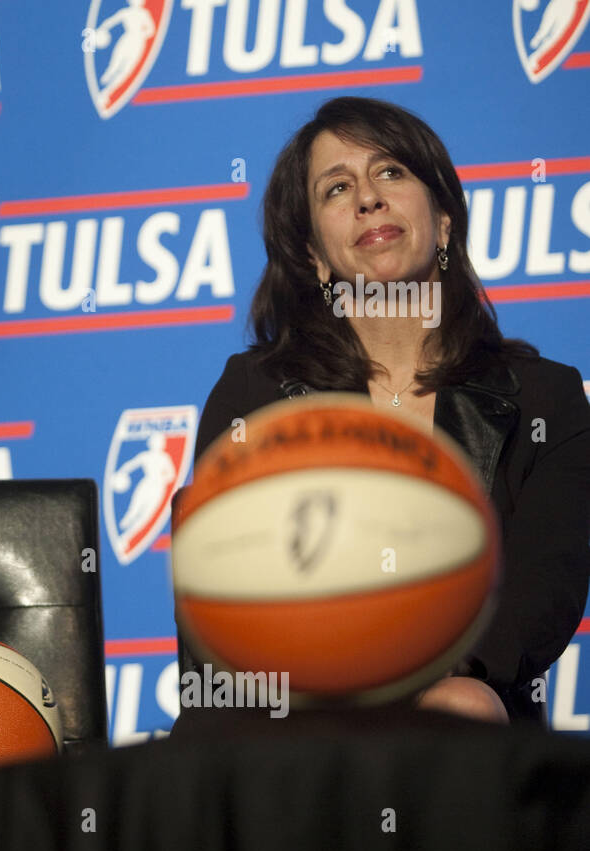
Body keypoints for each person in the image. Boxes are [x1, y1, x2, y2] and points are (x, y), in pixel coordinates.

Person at [180, 96, 590, 727]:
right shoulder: (255, 395)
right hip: (291, 717)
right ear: (316, 256)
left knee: (459, 708)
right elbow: (217, 597)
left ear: (445, 221)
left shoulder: (546, 397)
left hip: (465, 703)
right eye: (337, 188)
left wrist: (424, 672)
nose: (368, 198)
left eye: (391, 172)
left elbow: (545, 588)